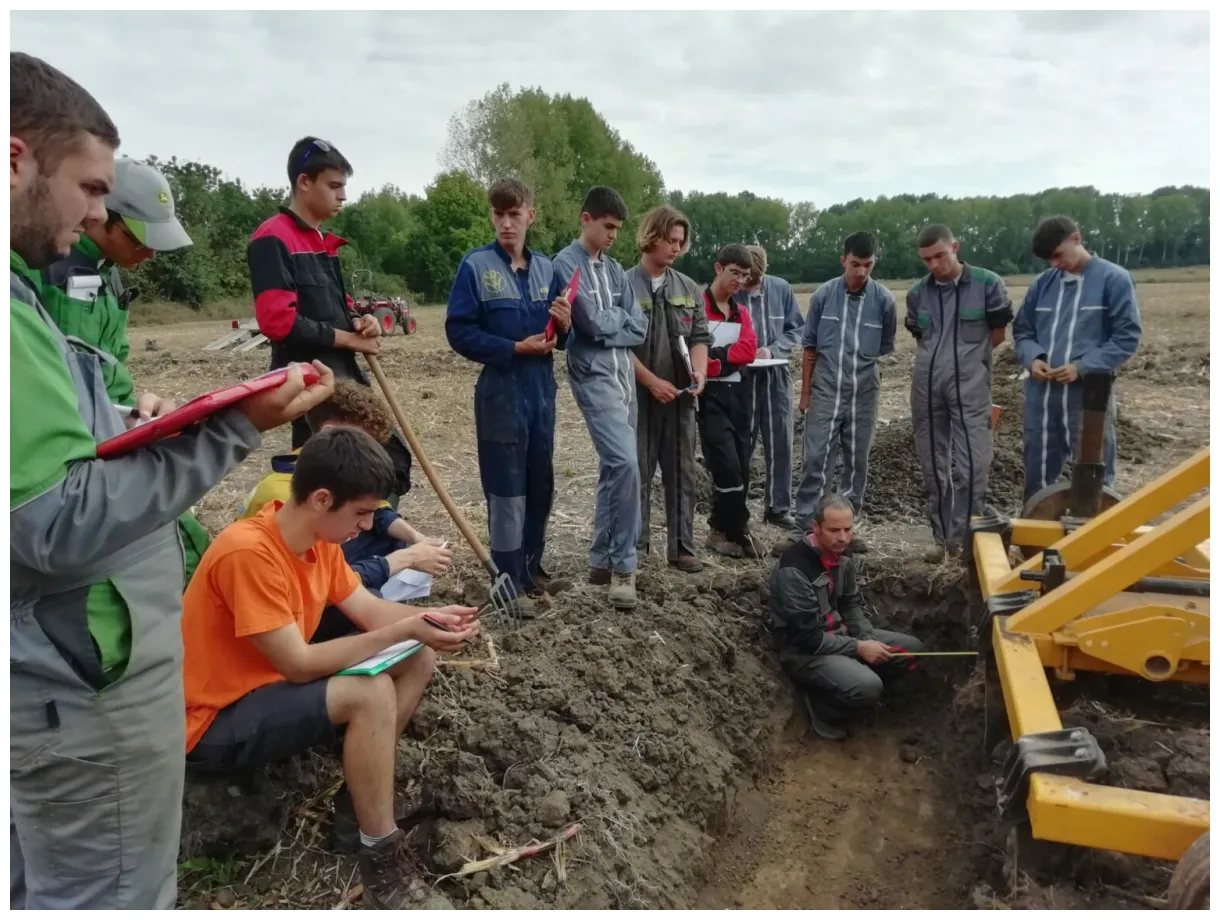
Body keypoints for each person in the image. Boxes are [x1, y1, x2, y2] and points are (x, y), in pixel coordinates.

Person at [10, 51, 334, 910]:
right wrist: (230, 427)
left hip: (72, 669)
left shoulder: (47, 294)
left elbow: (69, 425)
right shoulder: (22, 299)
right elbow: (48, 515)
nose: (93, 211)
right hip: (80, 682)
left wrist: (130, 418)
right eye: (87, 189)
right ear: (16, 159)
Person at [180, 428, 478, 909]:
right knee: (370, 691)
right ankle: (381, 860)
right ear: (321, 498)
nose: (367, 527)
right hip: (213, 719)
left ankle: (355, 805)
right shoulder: (248, 553)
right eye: (361, 513)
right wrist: (406, 629)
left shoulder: (319, 544)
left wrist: (432, 621)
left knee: (417, 655)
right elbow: (297, 664)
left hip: (265, 693)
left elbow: (367, 609)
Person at [35, 156, 213, 583]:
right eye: (141, 239)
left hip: (115, 429)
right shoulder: (43, 270)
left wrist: (137, 410)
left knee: (182, 541)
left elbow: (111, 365)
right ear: (102, 219)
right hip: (72, 452)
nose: (151, 252)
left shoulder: (109, 278)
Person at [247, 136, 412, 504]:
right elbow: (279, 323)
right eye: (334, 186)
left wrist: (358, 320)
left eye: (343, 187)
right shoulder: (271, 238)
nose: (342, 196)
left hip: (342, 373)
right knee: (346, 477)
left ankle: (364, 544)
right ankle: (342, 554)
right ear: (304, 182)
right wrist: (349, 340)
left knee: (384, 464)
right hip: (312, 382)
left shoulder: (322, 241)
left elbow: (333, 302)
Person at [445, 179, 571, 602]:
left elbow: (562, 335)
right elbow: (458, 332)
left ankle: (533, 570)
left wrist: (566, 327)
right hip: (501, 391)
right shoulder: (475, 266)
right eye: (498, 214)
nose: (506, 223)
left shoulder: (547, 269)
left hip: (541, 392)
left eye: (514, 214)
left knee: (540, 483)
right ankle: (508, 579)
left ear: (530, 216)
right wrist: (513, 348)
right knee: (506, 488)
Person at [239, 379, 452, 593]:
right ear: (328, 432)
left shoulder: (332, 473)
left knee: (391, 537)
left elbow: (379, 511)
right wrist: (406, 559)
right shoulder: (284, 495)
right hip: (291, 590)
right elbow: (320, 586)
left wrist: (416, 539)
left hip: (319, 577)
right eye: (361, 443)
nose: (368, 454)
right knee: (368, 591)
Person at [553, 186, 648, 609]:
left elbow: (640, 325)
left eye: (617, 229)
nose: (613, 235)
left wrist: (615, 323)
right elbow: (588, 325)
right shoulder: (564, 264)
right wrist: (617, 323)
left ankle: (600, 558)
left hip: (624, 378)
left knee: (616, 468)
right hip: (593, 376)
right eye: (608, 226)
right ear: (585, 219)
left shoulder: (614, 271)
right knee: (626, 463)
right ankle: (624, 567)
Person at [770, 494, 924, 741]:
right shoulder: (794, 569)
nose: (843, 537)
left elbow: (850, 603)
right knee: (867, 686)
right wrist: (860, 648)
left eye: (848, 529)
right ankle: (822, 708)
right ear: (816, 528)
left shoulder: (842, 553)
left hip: (839, 635)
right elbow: (808, 638)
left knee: (912, 650)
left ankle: (860, 688)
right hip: (805, 652)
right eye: (833, 530)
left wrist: (865, 637)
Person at [905, 225, 1014, 563]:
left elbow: (997, 334)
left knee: (971, 466)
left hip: (970, 384)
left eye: (940, 255)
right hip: (926, 385)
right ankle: (942, 541)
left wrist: (968, 361)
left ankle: (966, 542)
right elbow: (921, 338)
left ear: (955, 247)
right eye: (927, 259)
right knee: (932, 464)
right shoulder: (917, 294)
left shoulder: (987, 284)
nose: (935, 264)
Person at [1014, 215, 1142, 500]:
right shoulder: (1043, 285)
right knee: (1038, 467)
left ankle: (1094, 535)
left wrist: (1082, 366)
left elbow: (1126, 337)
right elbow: (1022, 331)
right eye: (1049, 260)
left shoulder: (1114, 279)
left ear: (1076, 238)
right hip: (1042, 396)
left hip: (1088, 396)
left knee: (1093, 467)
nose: (1055, 264)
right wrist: (1034, 359)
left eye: (1058, 255)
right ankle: (1036, 535)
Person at [793, 232, 896, 544]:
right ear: (844, 261)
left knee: (857, 459)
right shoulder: (823, 296)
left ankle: (844, 531)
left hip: (863, 392)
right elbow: (809, 348)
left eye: (868, 265)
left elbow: (884, 348)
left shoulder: (884, 301)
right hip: (825, 389)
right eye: (855, 264)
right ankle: (808, 527)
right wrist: (806, 394)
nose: (861, 271)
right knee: (816, 457)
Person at [624, 205, 710, 573]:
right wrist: (650, 381)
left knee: (682, 473)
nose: (676, 248)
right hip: (637, 398)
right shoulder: (622, 285)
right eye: (670, 240)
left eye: (681, 242)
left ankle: (682, 548)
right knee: (636, 473)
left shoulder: (689, 288)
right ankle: (637, 549)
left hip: (680, 401)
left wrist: (700, 372)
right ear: (651, 236)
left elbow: (700, 337)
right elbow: (615, 346)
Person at [737, 245, 804, 530]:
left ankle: (777, 508)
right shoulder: (731, 290)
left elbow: (797, 329)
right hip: (741, 379)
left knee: (780, 442)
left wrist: (774, 349)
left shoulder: (781, 289)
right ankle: (736, 509)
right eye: (746, 279)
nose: (750, 284)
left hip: (776, 377)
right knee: (741, 444)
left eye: (755, 280)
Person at [699, 244, 760, 558]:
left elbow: (749, 349)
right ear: (718, 268)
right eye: (734, 272)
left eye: (745, 275)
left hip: (740, 397)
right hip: (710, 397)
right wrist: (724, 360)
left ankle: (723, 529)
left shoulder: (742, 312)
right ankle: (739, 528)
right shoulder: (698, 307)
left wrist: (717, 359)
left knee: (742, 468)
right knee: (726, 467)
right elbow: (695, 358)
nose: (739, 280)